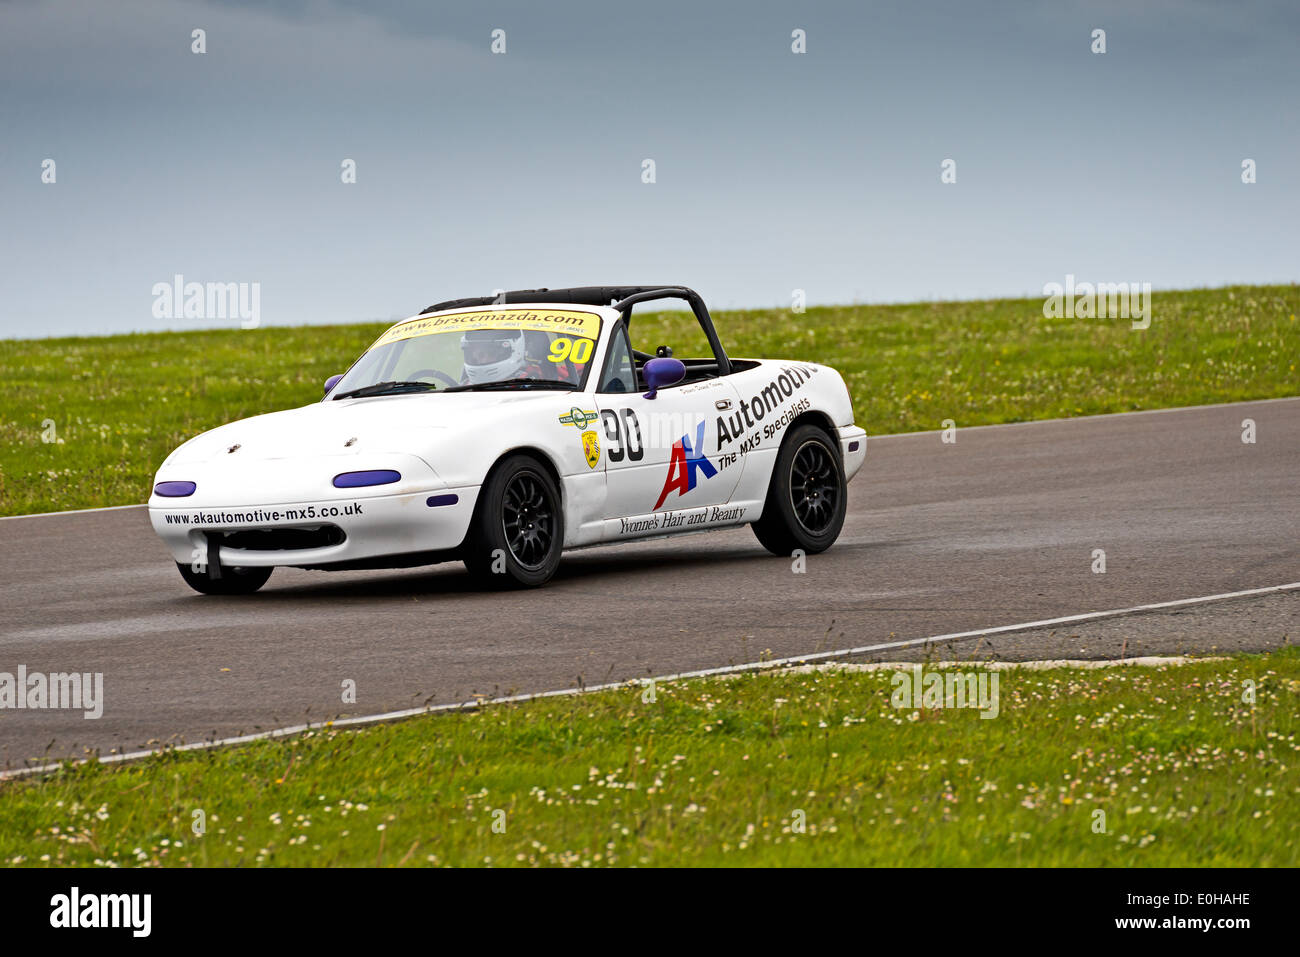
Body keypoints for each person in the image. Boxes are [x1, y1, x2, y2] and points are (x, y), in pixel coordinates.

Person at [459, 328, 576, 384]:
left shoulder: (539, 380)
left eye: (489, 352)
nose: (480, 360)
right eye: (474, 353)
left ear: (514, 348)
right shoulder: (463, 387)